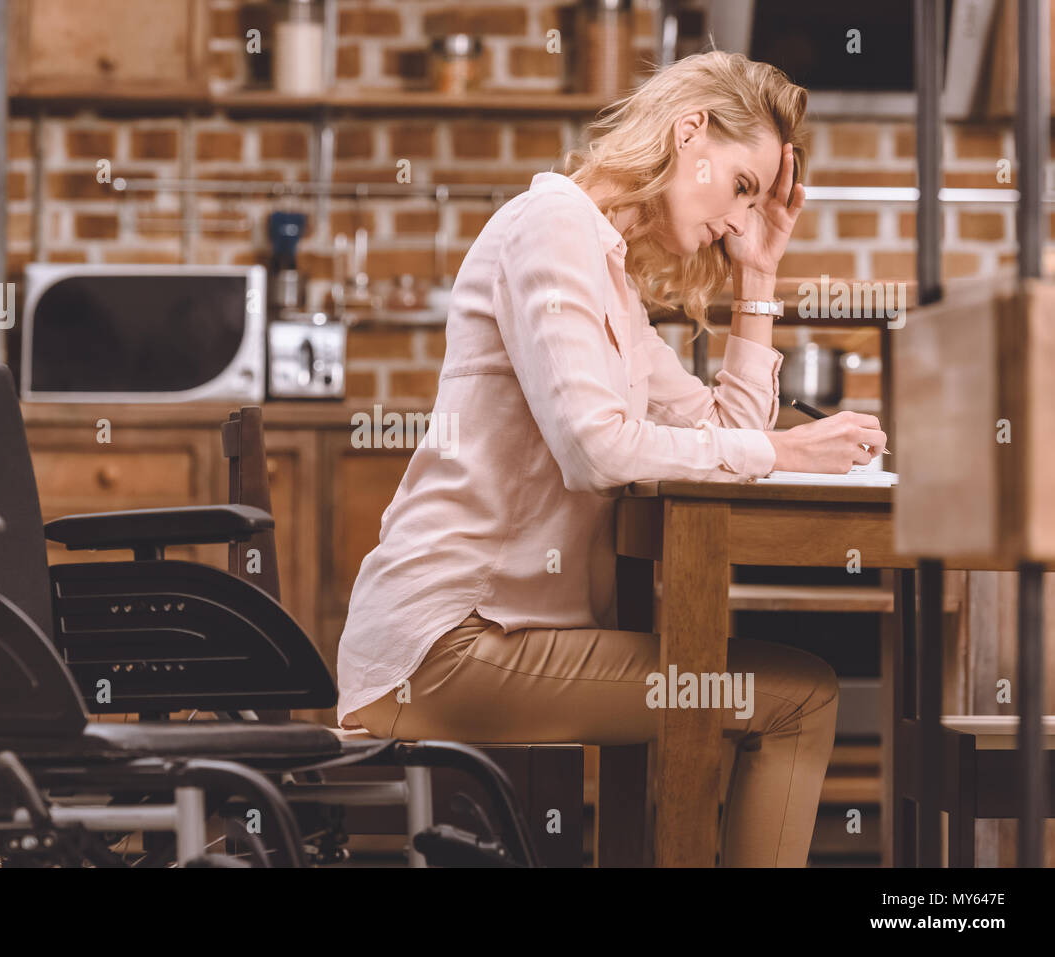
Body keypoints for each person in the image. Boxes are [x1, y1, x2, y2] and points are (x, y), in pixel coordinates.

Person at [335, 50, 887, 867]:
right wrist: (778, 447)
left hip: (503, 634)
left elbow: (715, 425)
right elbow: (597, 448)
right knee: (798, 698)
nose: (741, 218)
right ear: (689, 131)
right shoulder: (550, 230)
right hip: (450, 642)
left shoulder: (611, 281)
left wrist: (759, 275)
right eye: (741, 186)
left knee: (788, 689)